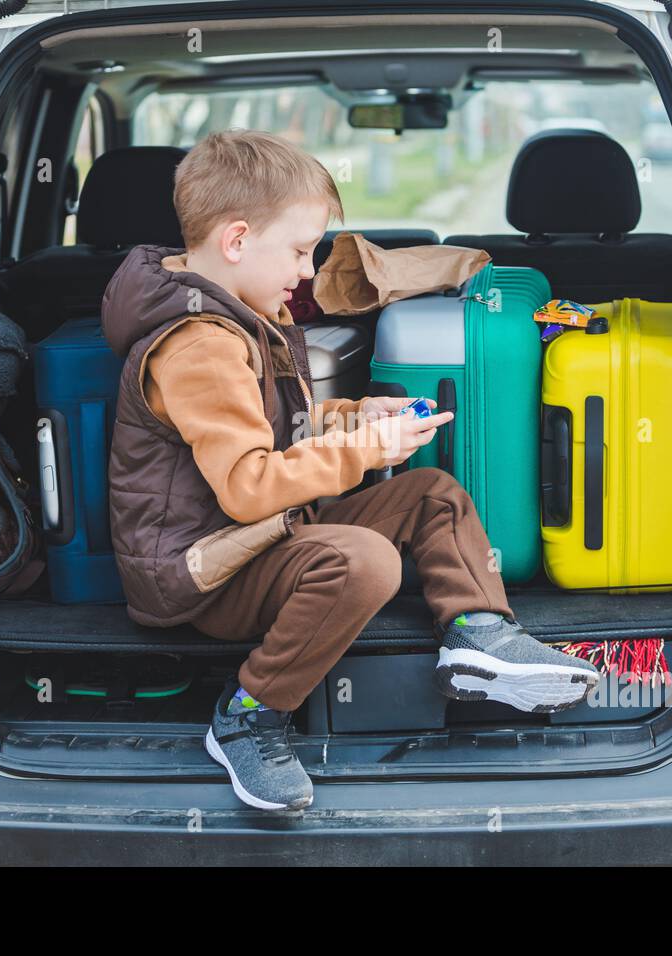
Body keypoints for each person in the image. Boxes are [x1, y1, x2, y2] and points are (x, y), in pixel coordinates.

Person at [100, 129, 598, 811]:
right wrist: (362, 453)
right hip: (203, 570)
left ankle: (477, 637)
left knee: (432, 494)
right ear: (237, 240)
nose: (307, 273)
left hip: (265, 534)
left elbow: (279, 434)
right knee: (363, 562)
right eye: (301, 251)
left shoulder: (244, 314)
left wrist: (361, 419)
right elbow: (249, 487)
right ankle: (249, 713)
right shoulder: (198, 346)